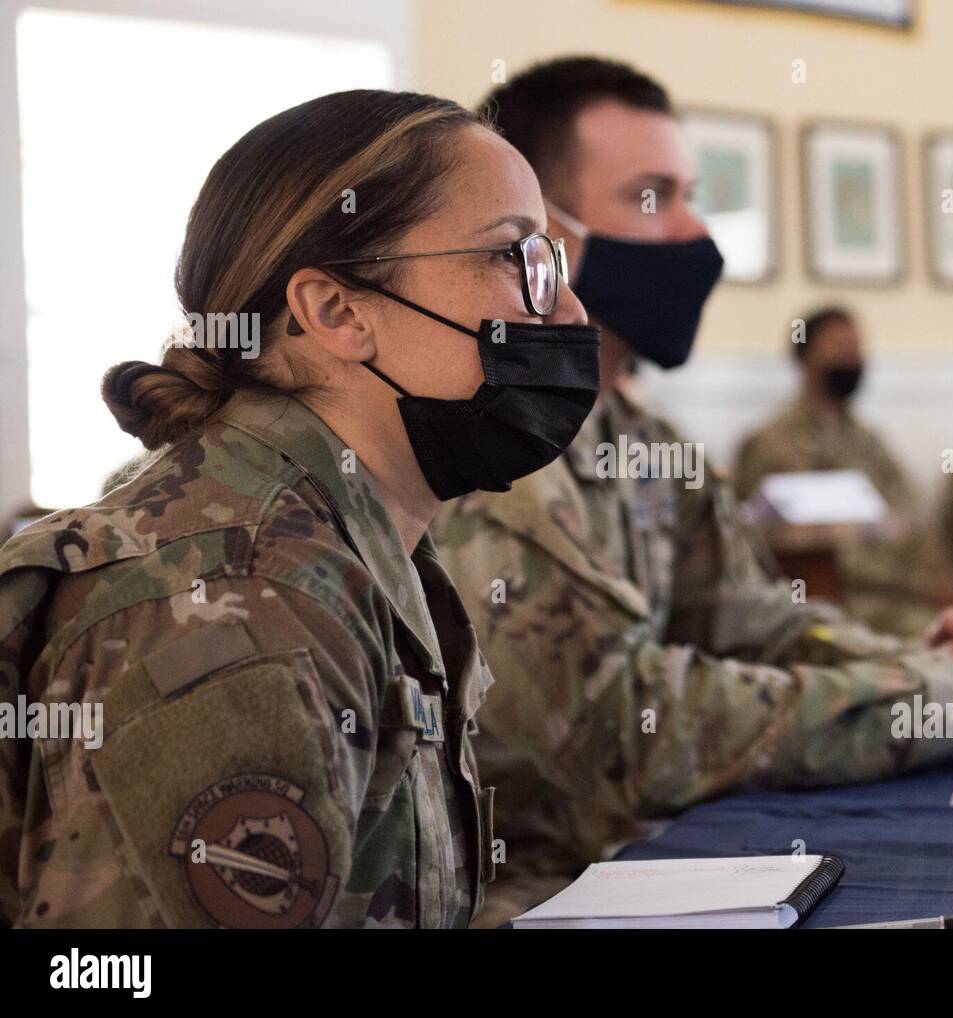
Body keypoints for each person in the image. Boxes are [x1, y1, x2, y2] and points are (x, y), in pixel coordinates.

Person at [433, 56, 953, 927]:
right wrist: (942, 692)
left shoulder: (645, 439)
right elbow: (626, 727)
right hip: (542, 894)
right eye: (655, 196)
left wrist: (936, 651)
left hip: (673, 861)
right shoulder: (500, 445)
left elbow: (755, 621)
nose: (696, 231)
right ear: (545, 233)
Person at [0, 89, 599, 928]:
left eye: (553, 265)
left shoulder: (339, 534)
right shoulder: (238, 598)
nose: (566, 311)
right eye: (514, 258)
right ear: (336, 311)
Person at [735, 306, 953, 637]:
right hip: (844, 600)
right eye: (839, 346)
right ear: (805, 357)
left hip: (908, 591)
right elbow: (778, 546)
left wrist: (943, 582)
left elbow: (911, 517)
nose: (852, 357)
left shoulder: (868, 442)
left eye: (857, 348)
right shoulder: (773, 444)